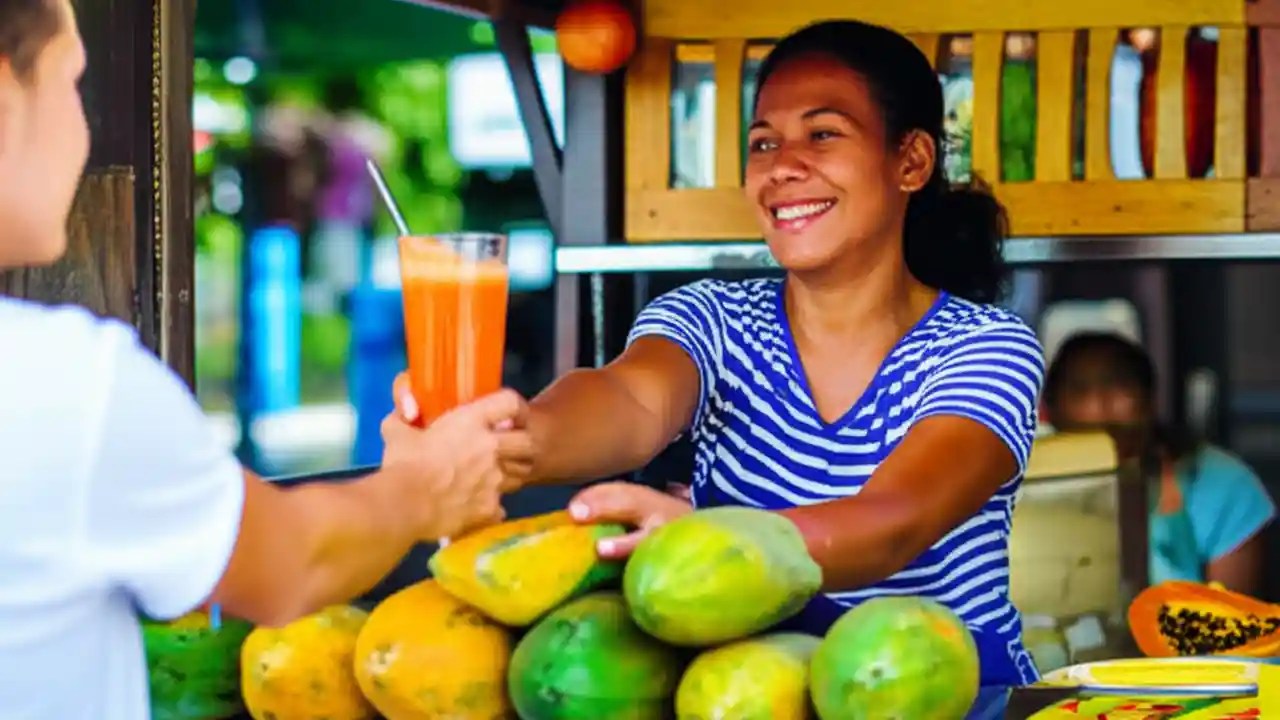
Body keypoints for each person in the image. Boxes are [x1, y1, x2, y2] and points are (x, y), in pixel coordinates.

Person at [429, 17, 1041, 717]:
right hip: (746, 700)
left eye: (823, 134)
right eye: (763, 142)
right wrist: (511, 441)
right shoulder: (712, 320)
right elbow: (629, 400)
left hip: (961, 701)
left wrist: (717, 545)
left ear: (911, 162)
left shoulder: (983, 345)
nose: (782, 164)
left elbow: (894, 521)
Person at [0, 2, 532, 718]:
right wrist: (430, 484)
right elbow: (290, 565)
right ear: (7, 100)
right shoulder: (65, 382)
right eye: (70, 84)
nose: (83, 130)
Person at [1043, 331, 1275, 595]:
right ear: (1051, 412)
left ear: (1150, 399)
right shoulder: (1023, 486)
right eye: (1079, 391)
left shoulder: (1222, 483)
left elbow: (1233, 623)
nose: (1099, 408)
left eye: (1118, 385)